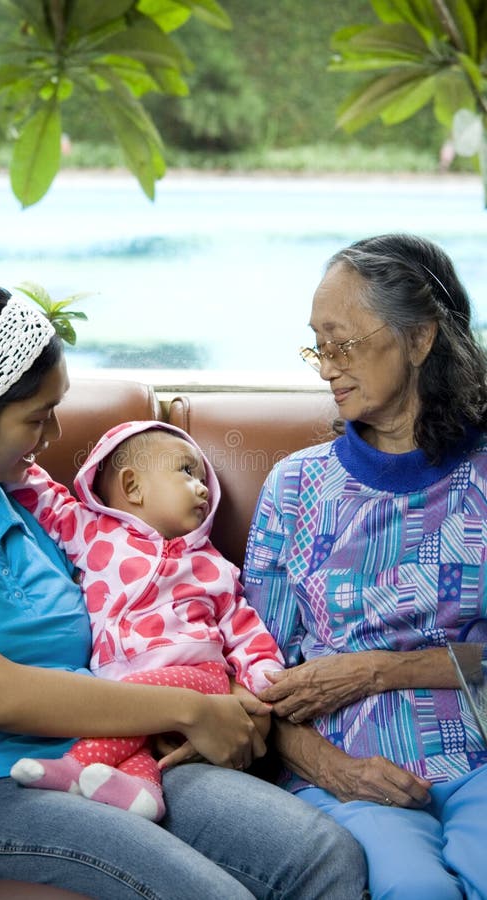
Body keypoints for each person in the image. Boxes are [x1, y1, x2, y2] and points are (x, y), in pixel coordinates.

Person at [0, 285, 367, 899]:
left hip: (104, 754)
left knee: (326, 857)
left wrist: (218, 694)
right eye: (37, 418)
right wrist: (189, 709)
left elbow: (144, 606)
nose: (55, 433)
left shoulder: (29, 502)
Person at [243, 233, 487, 900]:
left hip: (478, 758)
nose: (326, 367)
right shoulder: (296, 488)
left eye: (343, 342)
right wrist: (336, 770)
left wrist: (376, 669)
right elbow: (251, 673)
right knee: (418, 892)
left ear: (419, 340)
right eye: (317, 344)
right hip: (351, 767)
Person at [6, 419, 285, 822]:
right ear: (134, 487)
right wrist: (16, 458)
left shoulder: (211, 565)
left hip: (198, 675)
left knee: (121, 709)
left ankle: (77, 765)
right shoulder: (91, 533)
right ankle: (143, 790)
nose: (203, 487)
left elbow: (244, 628)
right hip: (118, 680)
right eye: (187, 472)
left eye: (203, 477)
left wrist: (264, 676)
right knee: (133, 733)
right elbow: (45, 498)